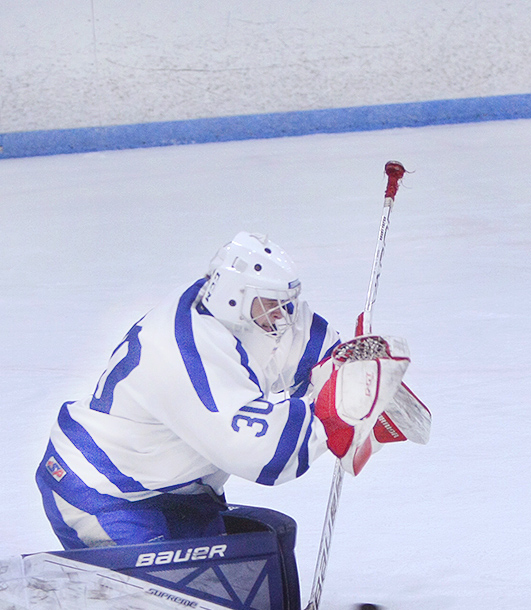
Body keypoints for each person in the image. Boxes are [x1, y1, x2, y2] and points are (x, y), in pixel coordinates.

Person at [36, 232, 408, 550]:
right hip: (102, 491)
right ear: (234, 296)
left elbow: (313, 353)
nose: (282, 316)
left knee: (232, 589)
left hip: (181, 494)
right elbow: (263, 454)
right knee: (167, 608)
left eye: (285, 304)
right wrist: (335, 414)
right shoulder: (182, 350)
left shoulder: (244, 315)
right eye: (272, 306)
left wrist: (353, 369)